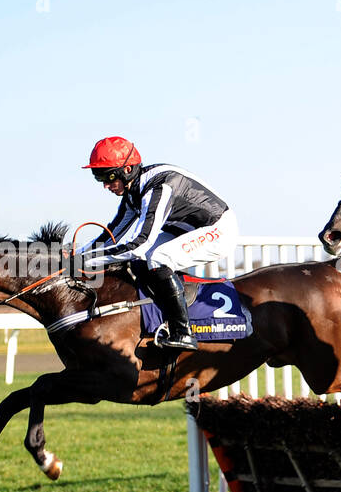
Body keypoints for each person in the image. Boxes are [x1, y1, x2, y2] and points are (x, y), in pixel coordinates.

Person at [79, 136, 238, 351]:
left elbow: (139, 243)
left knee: (157, 257)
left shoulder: (158, 187)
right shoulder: (132, 192)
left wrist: (88, 259)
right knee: (145, 259)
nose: (105, 185)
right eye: (99, 177)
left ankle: (183, 332)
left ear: (128, 169)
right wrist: (76, 254)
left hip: (218, 230)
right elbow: (113, 235)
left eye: (108, 176)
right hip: (187, 231)